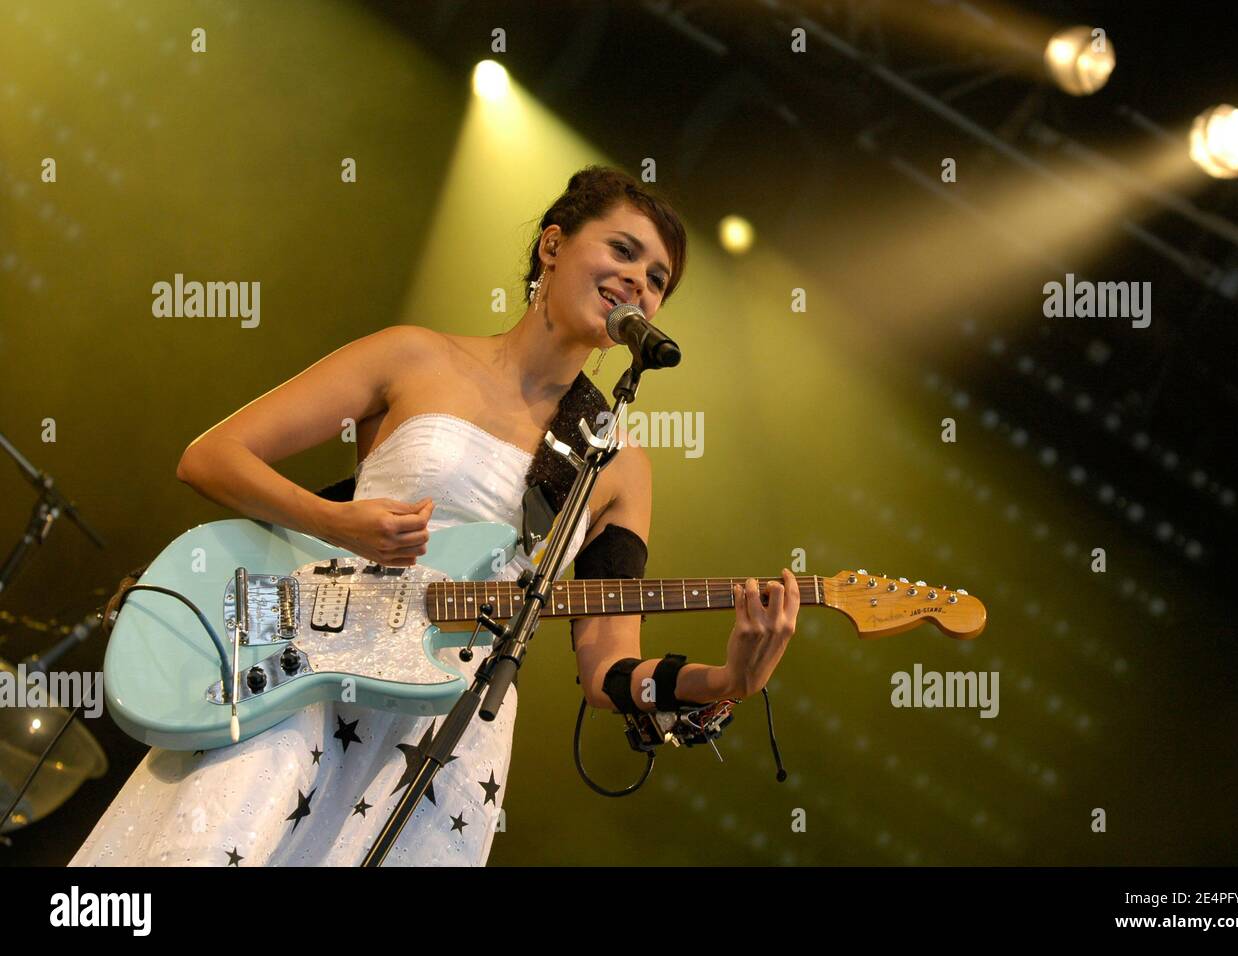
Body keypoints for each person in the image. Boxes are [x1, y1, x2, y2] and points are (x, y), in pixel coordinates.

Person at [68, 165, 799, 867]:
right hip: (309, 670)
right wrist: (336, 524)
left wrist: (723, 681)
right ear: (553, 245)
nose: (640, 280)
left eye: (659, 278)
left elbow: (606, 670)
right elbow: (212, 456)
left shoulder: (618, 463)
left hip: (447, 730)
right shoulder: (414, 356)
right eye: (623, 250)